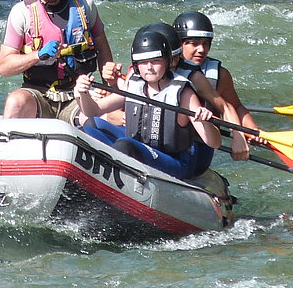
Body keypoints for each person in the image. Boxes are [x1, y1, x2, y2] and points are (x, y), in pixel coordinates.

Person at [73, 26, 223, 180]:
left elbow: (214, 143)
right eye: (144, 62)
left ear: (167, 61)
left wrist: (205, 122)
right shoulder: (134, 85)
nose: (149, 68)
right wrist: (82, 94)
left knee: (124, 146)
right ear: (136, 65)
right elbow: (93, 111)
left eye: (156, 61)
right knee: (88, 126)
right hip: (139, 145)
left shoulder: (183, 93)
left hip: (174, 160)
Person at [0, 0, 113, 123]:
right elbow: (4, 67)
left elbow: (103, 48)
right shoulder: (21, 13)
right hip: (38, 94)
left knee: (108, 118)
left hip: (78, 94)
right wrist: (38, 55)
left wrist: (109, 86)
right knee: (15, 102)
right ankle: (6, 147)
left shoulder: (85, 6)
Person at [174, 11, 258, 151]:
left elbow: (235, 107)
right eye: (194, 44)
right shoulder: (159, 69)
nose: (201, 49)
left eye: (205, 44)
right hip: (171, 140)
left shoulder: (220, 75)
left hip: (200, 145)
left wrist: (251, 130)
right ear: (178, 44)